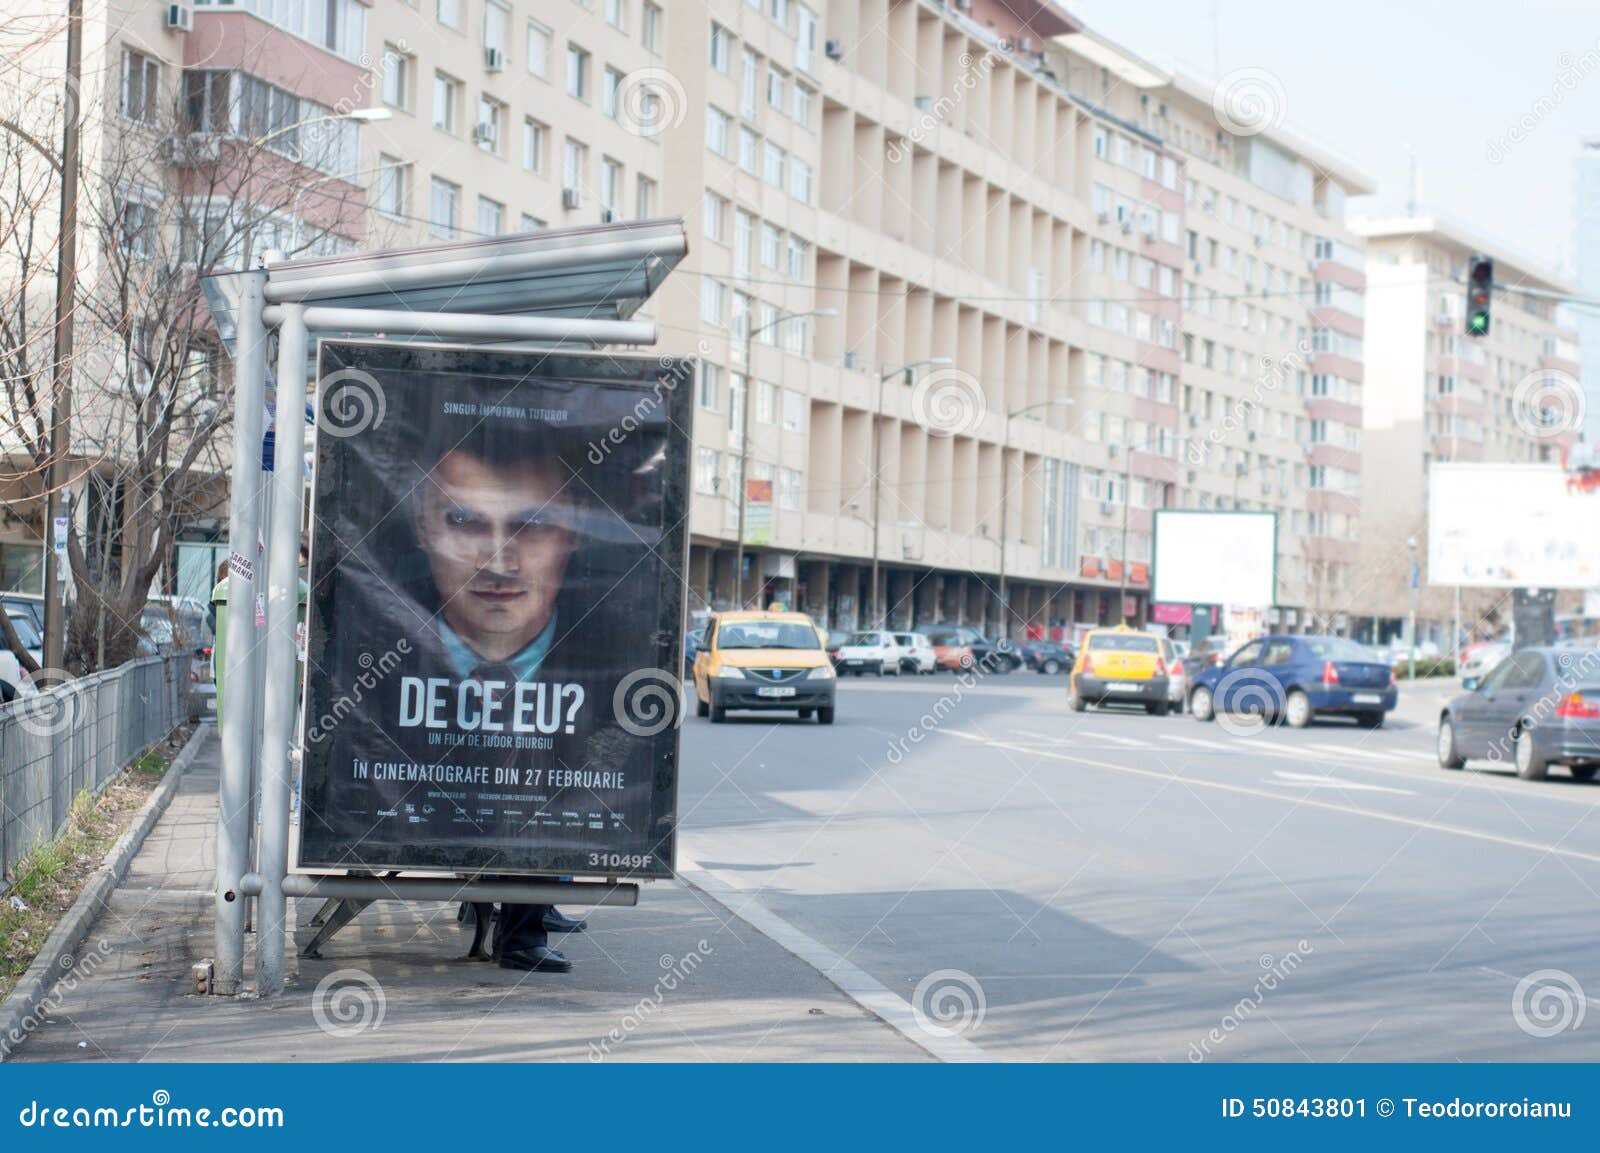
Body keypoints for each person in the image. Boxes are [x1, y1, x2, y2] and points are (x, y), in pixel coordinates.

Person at [410, 425, 587, 974]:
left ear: (573, 532)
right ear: (422, 526)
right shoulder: (381, 666)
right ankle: (505, 917)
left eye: (532, 524)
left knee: (538, 810)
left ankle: (523, 926)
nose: (500, 562)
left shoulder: (608, 670)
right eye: (463, 520)